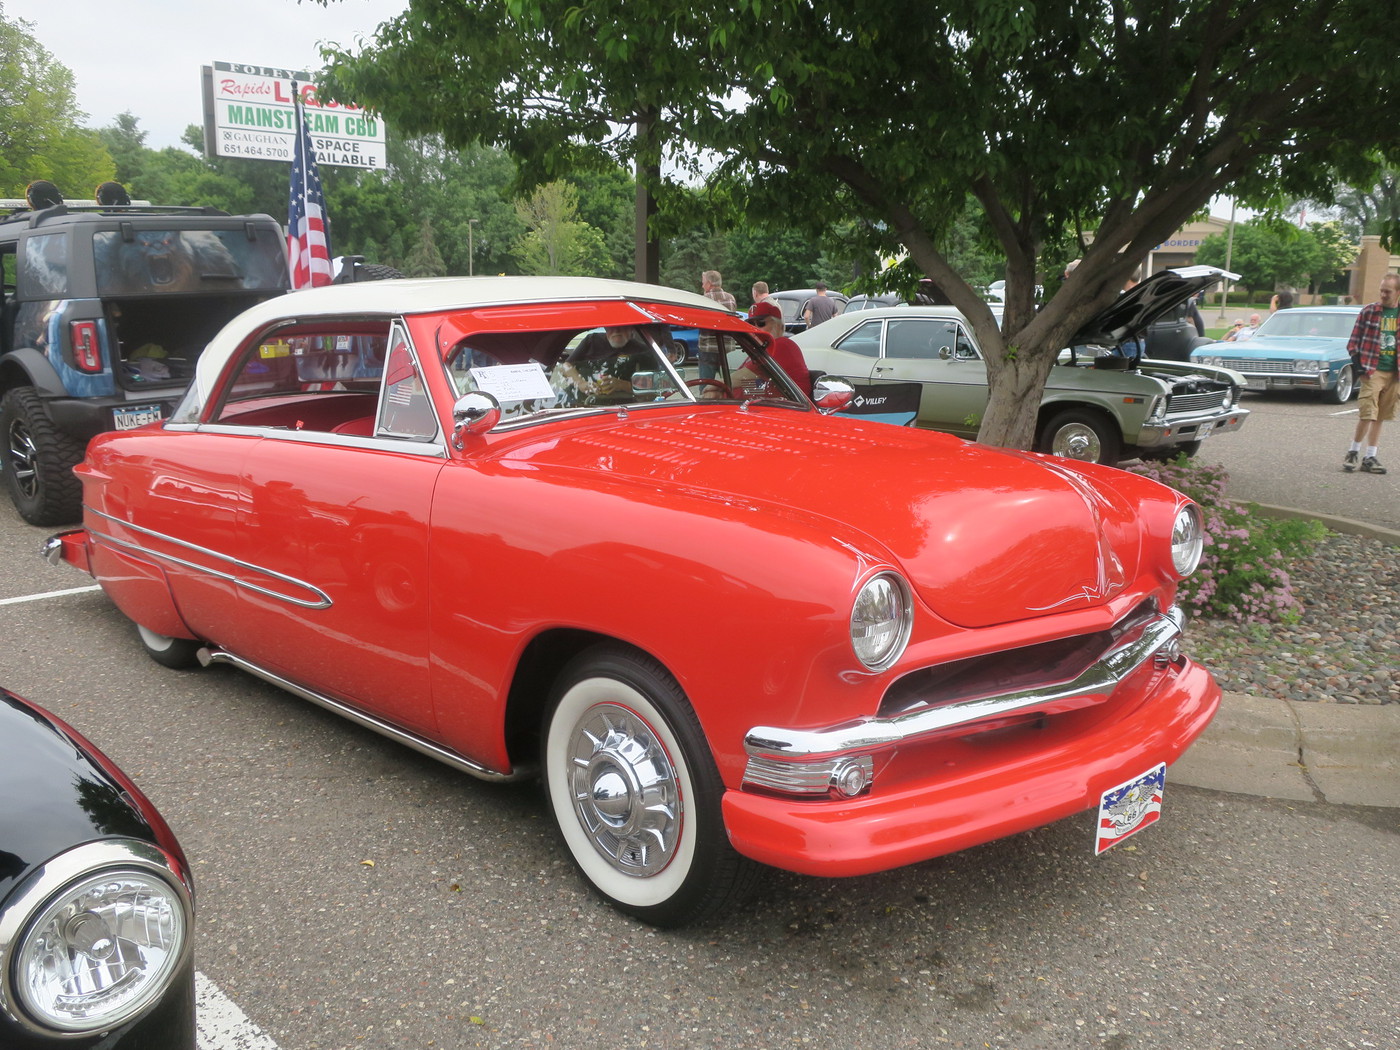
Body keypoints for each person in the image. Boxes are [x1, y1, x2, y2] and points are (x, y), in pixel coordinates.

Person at [1342, 273, 1399, 475]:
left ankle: (1370, 457)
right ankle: (1353, 452)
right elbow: (1353, 343)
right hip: (1372, 370)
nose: (1383, 294)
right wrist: (1360, 370)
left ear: (1398, 292)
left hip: (1395, 374)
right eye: (1381, 290)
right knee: (1367, 414)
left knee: (1381, 416)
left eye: (1388, 291)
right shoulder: (1369, 311)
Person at [555, 326, 650, 406]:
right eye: (611, 327)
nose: (616, 330)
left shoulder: (642, 351)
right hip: (579, 404)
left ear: (631, 328)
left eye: (622, 326)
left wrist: (622, 385)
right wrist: (581, 384)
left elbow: (651, 388)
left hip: (622, 408)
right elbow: (566, 366)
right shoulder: (592, 340)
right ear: (605, 328)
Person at [740, 300, 812, 395]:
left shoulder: (782, 345)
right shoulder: (759, 351)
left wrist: (718, 385)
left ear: (778, 326)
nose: (755, 329)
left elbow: (742, 376)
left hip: (790, 407)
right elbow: (749, 386)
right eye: (751, 324)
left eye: (761, 323)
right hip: (767, 405)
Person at [699, 270, 736, 380]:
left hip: (707, 348)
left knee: (706, 385)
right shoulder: (730, 299)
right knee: (728, 383)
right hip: (727, 348)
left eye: (703, 282)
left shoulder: (703, 300)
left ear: (709, 284)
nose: (702, 285)